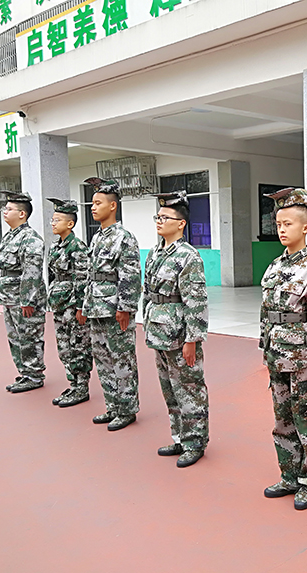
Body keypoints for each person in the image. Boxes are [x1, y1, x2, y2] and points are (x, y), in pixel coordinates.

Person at [259, 188, 307, 511]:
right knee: (283, 418)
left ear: (305, 227)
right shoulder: (274, 267)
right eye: (278, 224)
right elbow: (266, 312)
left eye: (288, 223)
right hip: (278, 357)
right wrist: (266, 349)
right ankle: (289, 474)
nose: (281, 229)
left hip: (303, 360)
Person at [144, 191, 209, 468]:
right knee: (170, 389)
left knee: (189, 388)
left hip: (180, 334)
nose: (159, 221)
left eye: (165, 217)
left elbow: (196, 301)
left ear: (180, 223)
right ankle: (180, 436)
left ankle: (196, 442)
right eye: (157, 216)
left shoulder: (188, 256)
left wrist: (192, 339)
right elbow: (148, 293)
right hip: (159, 331)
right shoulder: (155, 252)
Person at [79, 178, 142, 432]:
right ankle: (113, 405)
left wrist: (125, 307)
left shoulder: (124, 237)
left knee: (122, 359)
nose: (93, 207)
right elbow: (90, 275)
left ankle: (127, 409)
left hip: (115, 309)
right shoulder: (96, 238)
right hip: (96, 307)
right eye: (92, 203)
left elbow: (131, 274)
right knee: (103, 358)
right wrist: (85, 305)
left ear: (113, 206)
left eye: (98, 203)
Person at [0, 191, 47, 393]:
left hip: (24, 298)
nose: (4, 211)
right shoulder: (10, 236)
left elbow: (32, 272)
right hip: (10, 297)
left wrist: (28, 300)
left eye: (9, 209)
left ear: (22, 214)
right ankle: (25, 372)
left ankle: (34, 375)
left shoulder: (30, 239)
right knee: (15, 337)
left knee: (29, 336)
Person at [47, 197, 93, 408]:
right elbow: (52, 276)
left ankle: (82, 387)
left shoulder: (77, 248)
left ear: (70, 223)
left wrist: (80, 307)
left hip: (73, 307)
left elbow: (83, 278)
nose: (53, 223)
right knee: (64, 348)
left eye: (57, 220)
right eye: (52, 219)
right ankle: (73, 384)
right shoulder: (56, 247)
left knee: (78, 347)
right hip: (59, 305)